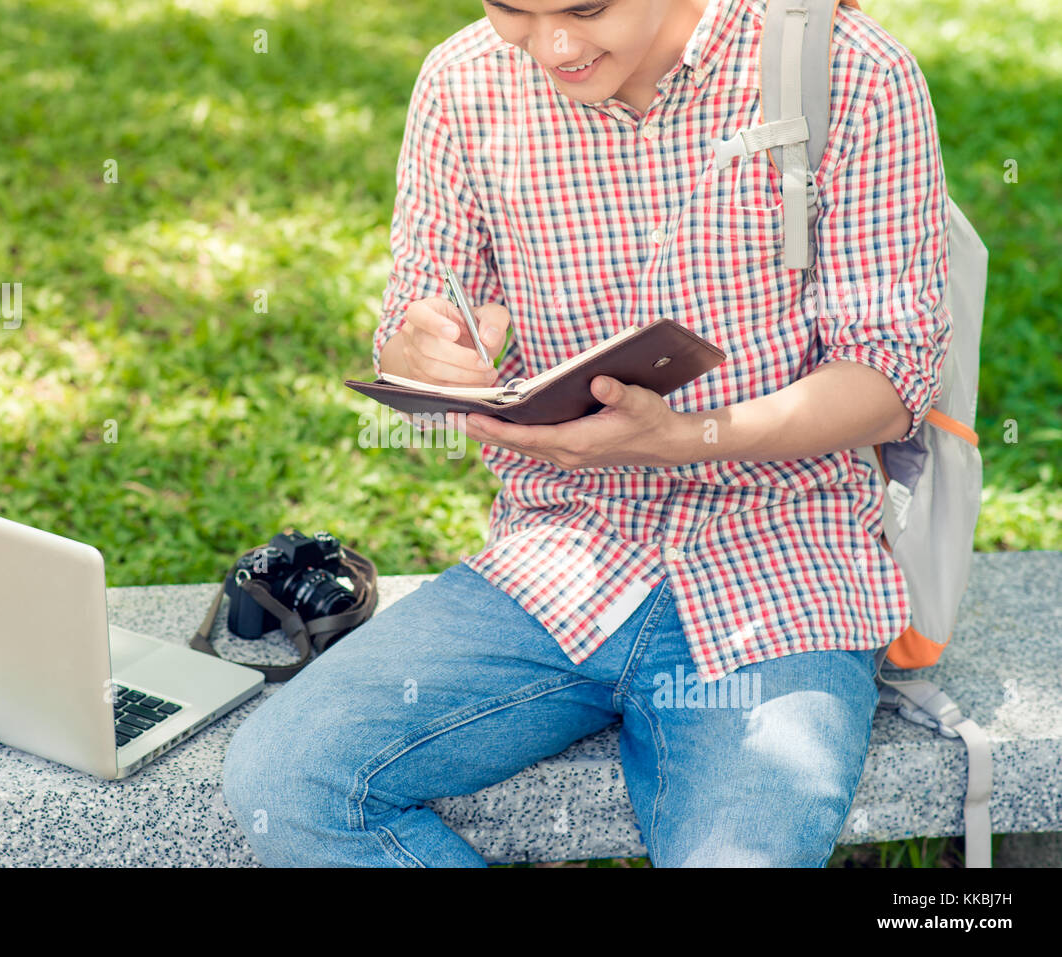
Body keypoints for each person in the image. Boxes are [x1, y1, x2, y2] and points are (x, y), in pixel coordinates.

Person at [222, 0, 951, 866]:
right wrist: (426, 345)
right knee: (289, 779)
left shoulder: (851, 72)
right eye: (511, 9)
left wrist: (687, 437)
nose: (553, 45)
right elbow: (418, 308)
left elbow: (890, 377)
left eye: (587, 9)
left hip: (785, 566)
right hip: (557, 557)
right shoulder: (462, 83)